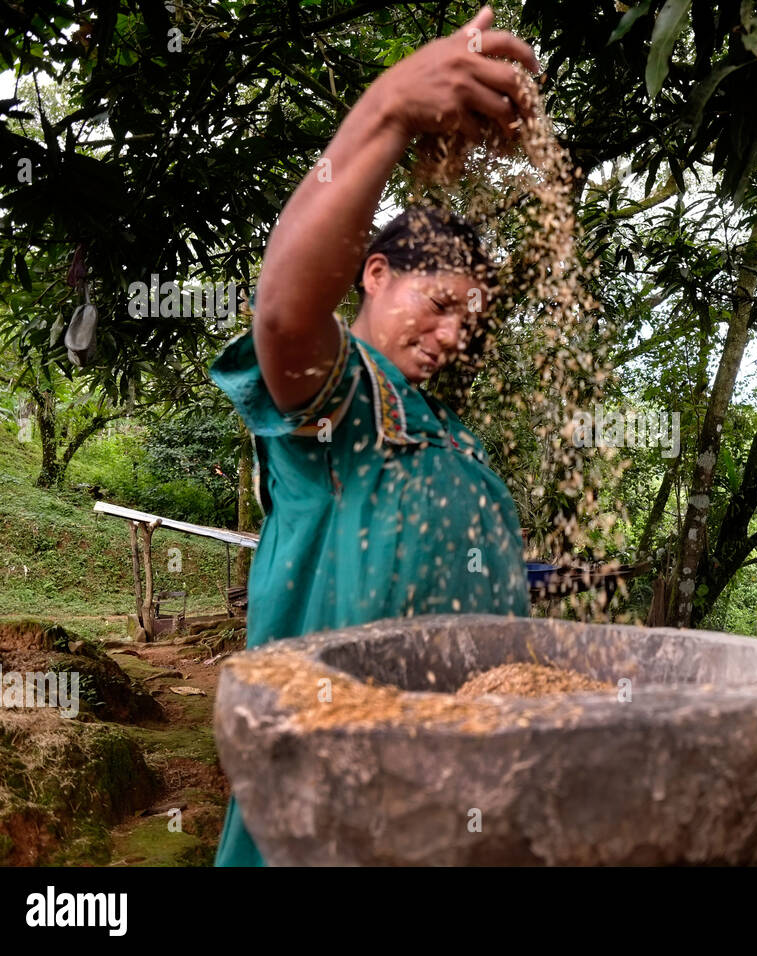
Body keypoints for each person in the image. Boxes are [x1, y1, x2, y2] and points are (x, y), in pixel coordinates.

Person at [208, 6, 540, 867]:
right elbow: (284, 314)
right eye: (439, 306)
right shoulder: (350, 402)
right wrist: (387, 112)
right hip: (324, 818)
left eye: (469, 326)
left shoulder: (451, 442)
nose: (449, 337)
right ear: (377, 274)